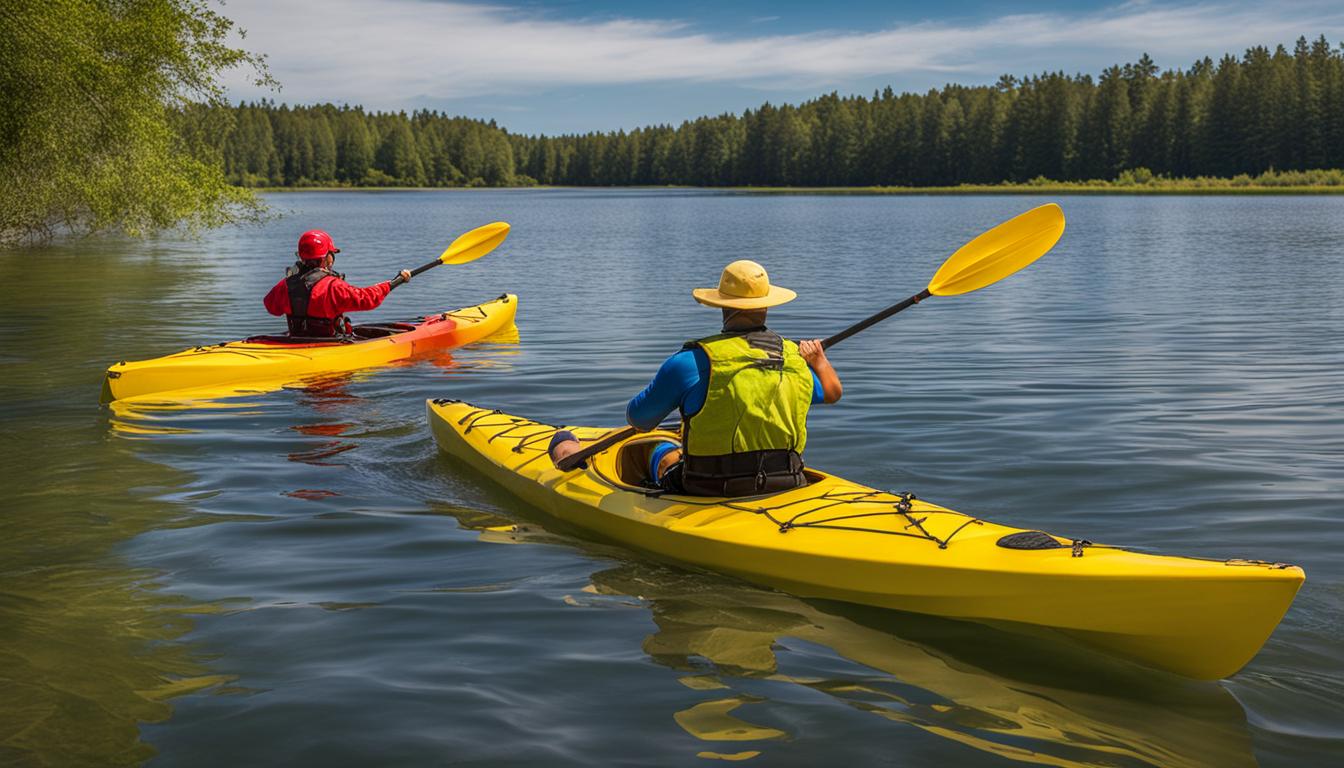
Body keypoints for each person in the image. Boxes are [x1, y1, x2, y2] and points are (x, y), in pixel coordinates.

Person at [550, 260, 841, 496]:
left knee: (656, 447)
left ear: (722, 306)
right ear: (766, 306)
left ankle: (563, 442)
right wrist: (818, 360)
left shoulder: (689, 362)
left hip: (706, 487)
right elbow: (830, 393)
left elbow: (638, 420)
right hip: (787, 480)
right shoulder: (793, 358)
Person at [263, 230, 414, 337]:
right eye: (332, 254)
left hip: (296, 340)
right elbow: (367, 300)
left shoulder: (286, 284)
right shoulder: (333, 286)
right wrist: (392, 283)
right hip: (328, 344)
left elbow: (271, 308)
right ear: (326, 257)